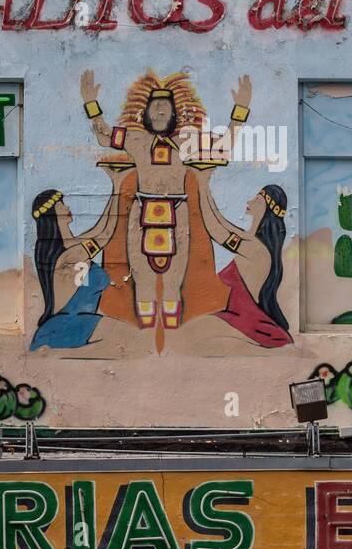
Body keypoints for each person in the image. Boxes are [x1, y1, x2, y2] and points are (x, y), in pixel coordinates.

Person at [79, 69, 250, 333]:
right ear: (145, 113)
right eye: (155, 107)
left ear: (174, 114)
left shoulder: (187, 141)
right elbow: (104, 135)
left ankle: (172, 341)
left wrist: (240, 109)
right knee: (142, 277)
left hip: (177, 213)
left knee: (173, 281)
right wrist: (90, 103)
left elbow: (224, 143)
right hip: (140, 214)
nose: (159, 112)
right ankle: (145, 337)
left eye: (165, 108)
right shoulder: (136, 139)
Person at [28, 168, 126, 350]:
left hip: (80, 322)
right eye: (62, 205)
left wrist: (117, 187)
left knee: (131, 338)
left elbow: (100, 227)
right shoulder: (70, 256)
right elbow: (104, 234)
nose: (67, 208)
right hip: (68, 326)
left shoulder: (73, 246)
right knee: (134, 338)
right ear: (54, 215)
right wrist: (118, 187)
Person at [193, 168, 292, 347]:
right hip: (233, 318)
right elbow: (220, 221)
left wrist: (201, 184)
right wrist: (203, 185)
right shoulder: (250, 241)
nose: (250, 201)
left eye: (257, 199)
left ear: (265, 207)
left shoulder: (255, 249)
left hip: (244, 323)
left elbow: (216, 230)